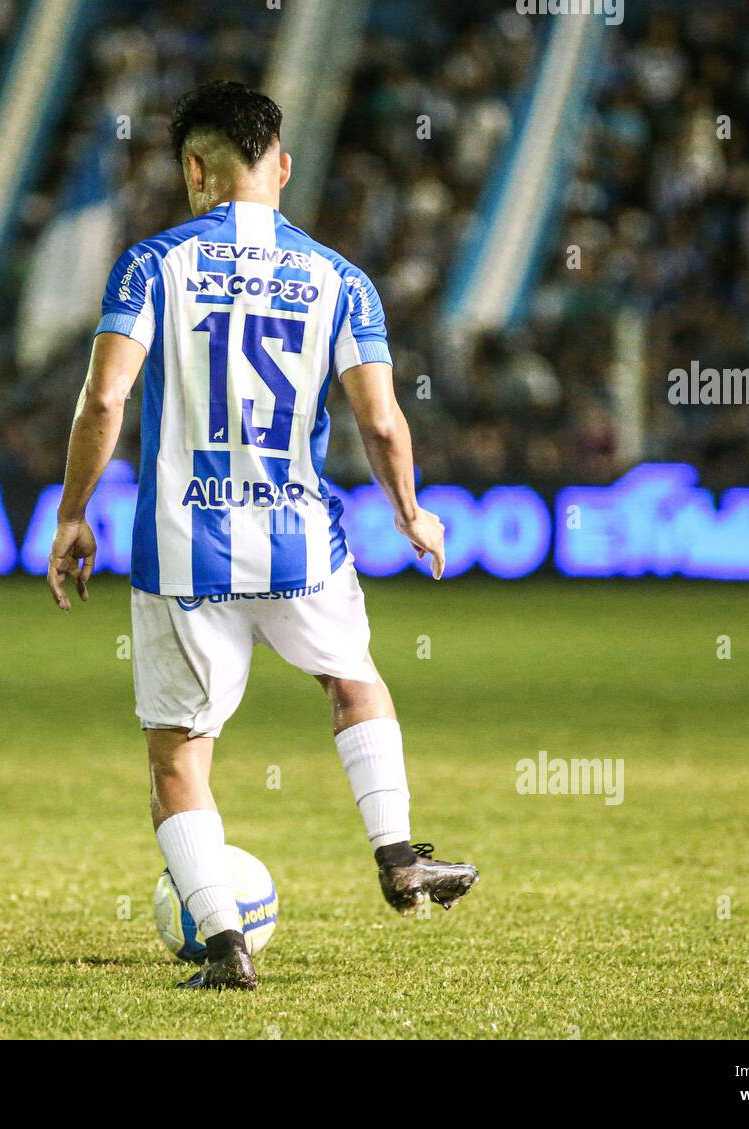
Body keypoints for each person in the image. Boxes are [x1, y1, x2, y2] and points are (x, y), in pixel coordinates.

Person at [47, 81, 477, 991]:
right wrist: (409, 510)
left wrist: (73, 511)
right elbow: (385, 421)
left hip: (183, 549)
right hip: (299, 540)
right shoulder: (339, 279)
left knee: (178, 753)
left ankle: (223, 943)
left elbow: (107, 399)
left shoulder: (149, 265)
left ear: (194, 171)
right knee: (353, 681)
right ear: (281, 167)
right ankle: (399, 855)